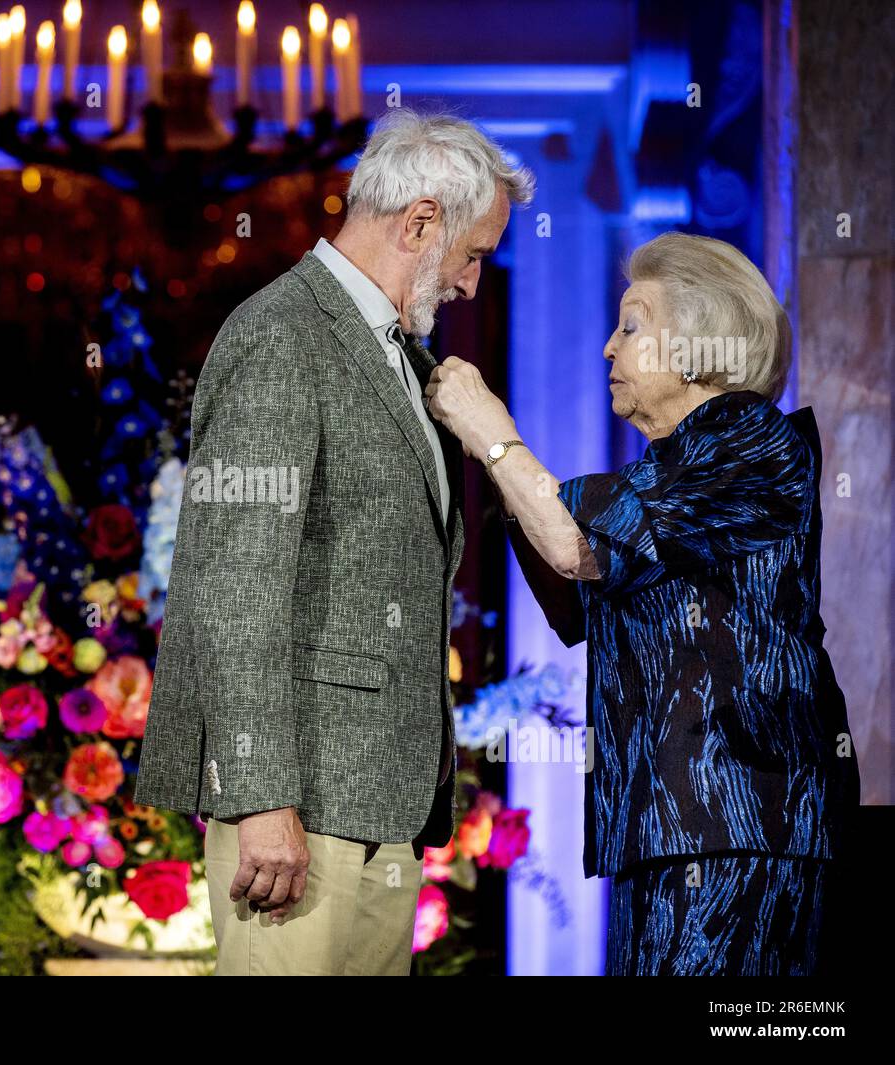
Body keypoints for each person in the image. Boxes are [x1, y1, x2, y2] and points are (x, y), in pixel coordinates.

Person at [134, 109, 533, 975]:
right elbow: (235, 583)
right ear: (420, 220)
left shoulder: (399, 353)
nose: (471, 282)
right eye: (473, 253)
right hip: (298, 811)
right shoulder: (283, 333)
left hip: (379, 804)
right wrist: (262, 797)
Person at [425, 231, 860, 975]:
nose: (606, 348)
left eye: (631, 325)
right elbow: (574, 593)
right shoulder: (678, 464)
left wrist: (494, 434)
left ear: (696, 346)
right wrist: (501, 468)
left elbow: (575, 547)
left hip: (737, 826)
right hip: (672, 829)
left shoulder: (750, 441)